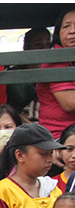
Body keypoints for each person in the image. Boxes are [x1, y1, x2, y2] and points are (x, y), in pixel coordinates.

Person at [37, 8, 75, 139]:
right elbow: (70, 103)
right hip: (60, 138)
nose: (72, 31)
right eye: (66, 26)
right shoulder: (57, 59)